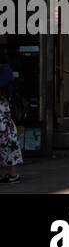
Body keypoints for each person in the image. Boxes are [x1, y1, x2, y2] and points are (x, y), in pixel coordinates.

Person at [0, 48, 22, 184]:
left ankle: (13, 174)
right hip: (4, 111)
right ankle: (12, 174)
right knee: (7, 142)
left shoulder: (5, 70)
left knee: (6, 142)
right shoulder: (6, 69)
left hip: (2, 109)